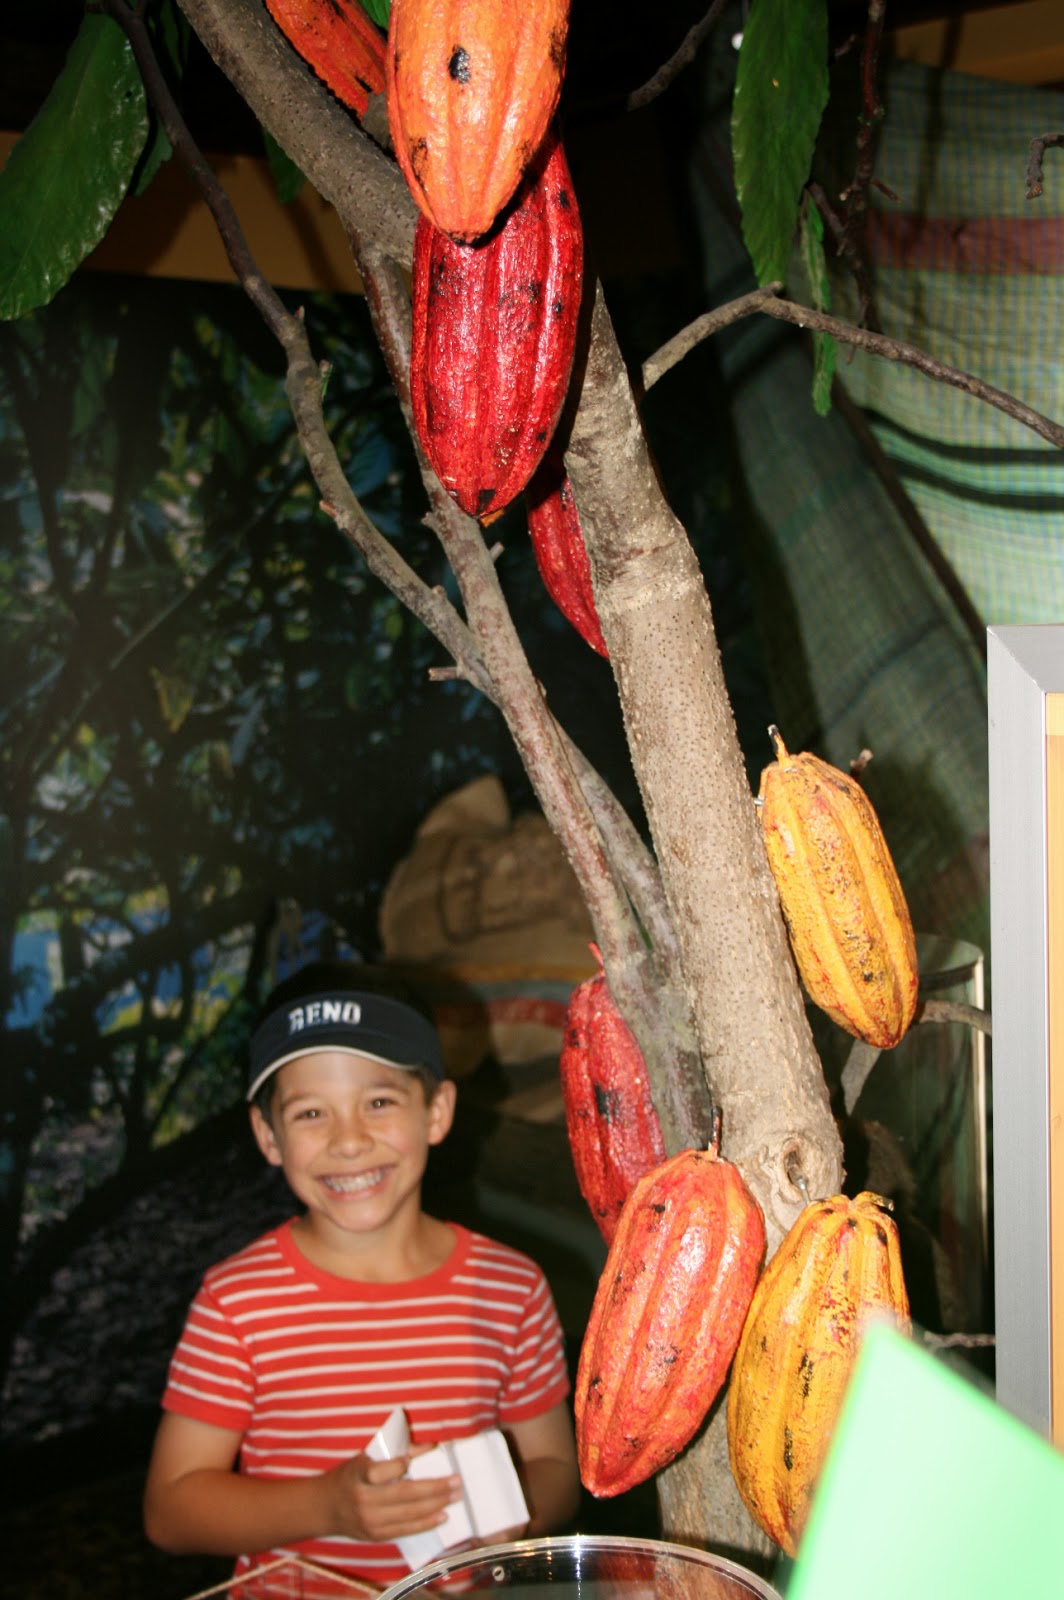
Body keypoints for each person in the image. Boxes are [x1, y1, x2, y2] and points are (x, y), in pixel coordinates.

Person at [144, 962, 580, 1586]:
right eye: (310, 1114)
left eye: (378, 1102)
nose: (349, 1141)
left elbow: (555, 1467)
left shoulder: (512, 1287)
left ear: (436, 1111)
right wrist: (330, 1506)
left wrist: (510, 1515)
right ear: (268, 1136)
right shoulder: (237, 1302)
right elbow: (171, 1511)